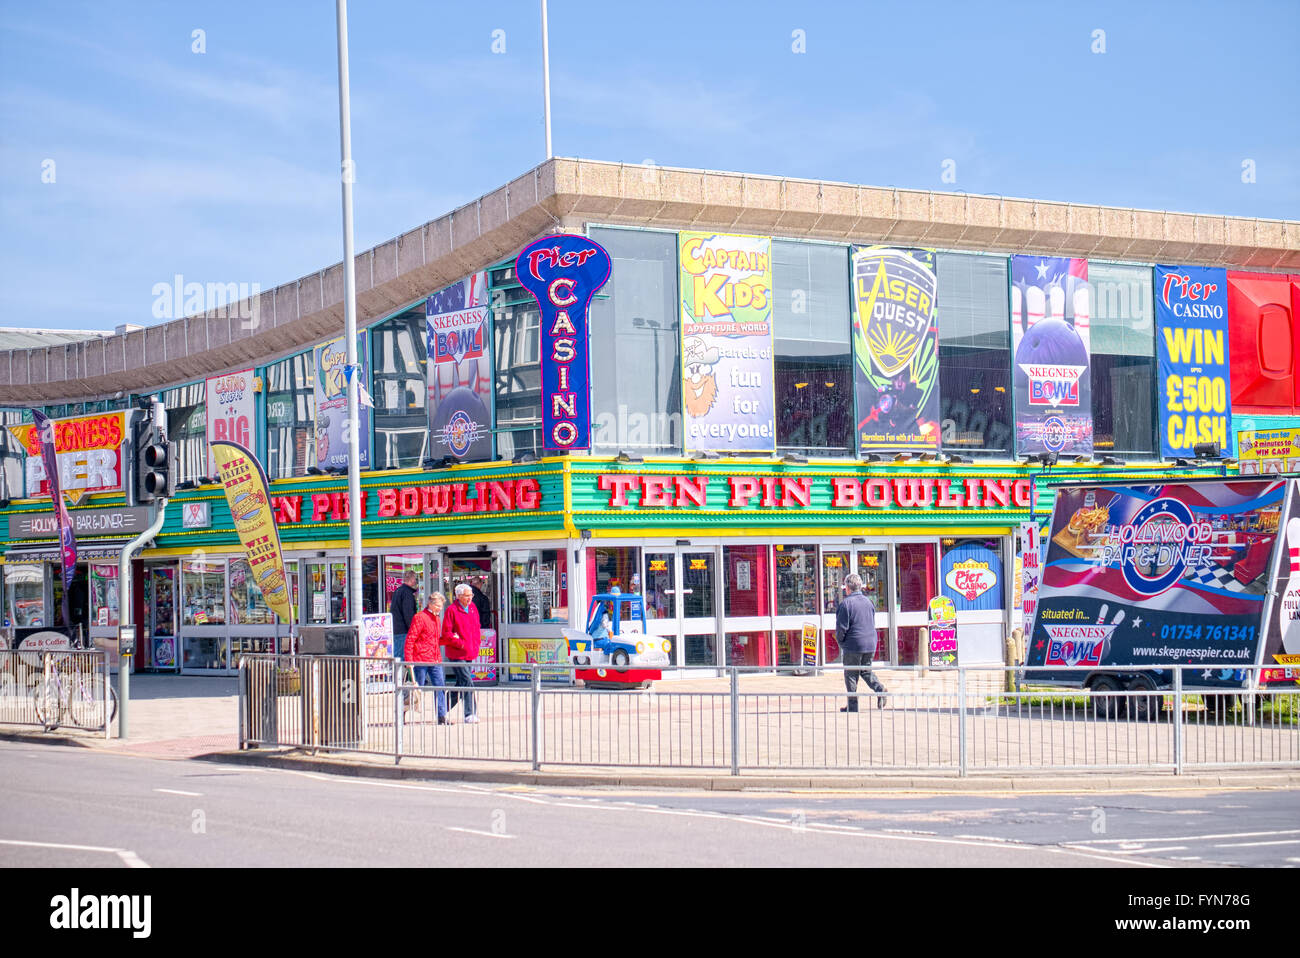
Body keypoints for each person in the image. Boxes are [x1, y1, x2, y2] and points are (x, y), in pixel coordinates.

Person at [837, 572, 886, 711]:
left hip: (854, 644)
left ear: (847, 587)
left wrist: (841, 642)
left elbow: (841, 629)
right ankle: (880, 689)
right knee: (865, 670)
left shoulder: (846, 604)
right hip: (870, 642)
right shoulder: (868, 602)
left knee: (851, 674)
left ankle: (853, 706)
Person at [404, 591, 449, 724]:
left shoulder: (436, 618)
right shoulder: (420, 617)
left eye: (441, 606)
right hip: (421, 658)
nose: (440, 609)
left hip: (434, 658)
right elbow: (411, 639)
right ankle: (403, 712)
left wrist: (449, 640)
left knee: (440, 687)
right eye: (438, 606)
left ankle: (442, 716)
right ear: (430, 604)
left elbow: (435, 639)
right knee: (416, 688)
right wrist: (409, 659)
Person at [442, 583, 482, 724]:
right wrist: (460, 643)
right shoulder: (452, 610)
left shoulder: (472, 608)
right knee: (467, 681)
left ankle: (441, 709)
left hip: (469, 652)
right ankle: (470, 713)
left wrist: (476, 643)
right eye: (467, 595)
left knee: (460, 684)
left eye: (471, 595)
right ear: (458, 596)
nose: (470, 598)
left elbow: (477, 627)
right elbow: (447, 632)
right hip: (457, 653)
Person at [389, 569, 419, 662]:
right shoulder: (407, 593)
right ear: (412, 579)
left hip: (396, 628)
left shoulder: (398, 591)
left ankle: (399, 675)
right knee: (401, 656)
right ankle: (399, 676)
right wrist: (413, 629)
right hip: (403, 630)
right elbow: (408, 613)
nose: (416, 582)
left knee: (398, 654)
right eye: (415, 579)